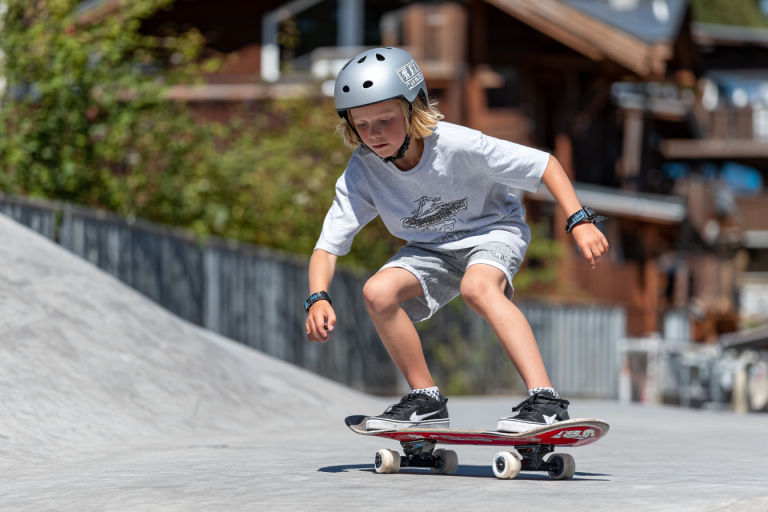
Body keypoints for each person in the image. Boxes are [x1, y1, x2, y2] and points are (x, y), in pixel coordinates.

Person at [304, 47, 609, 432]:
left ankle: (545, 401)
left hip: (492, 231)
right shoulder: (362, 172)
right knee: (377, 293)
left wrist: (579, 220)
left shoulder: (459, 145)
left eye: (385, 120)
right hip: (430, 248)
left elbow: (544, 164)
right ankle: (425, 401)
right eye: (361, 124)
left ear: (412, 109)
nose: (374, 134)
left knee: (478, 288)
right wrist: (317, 297)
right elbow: (327, 246)